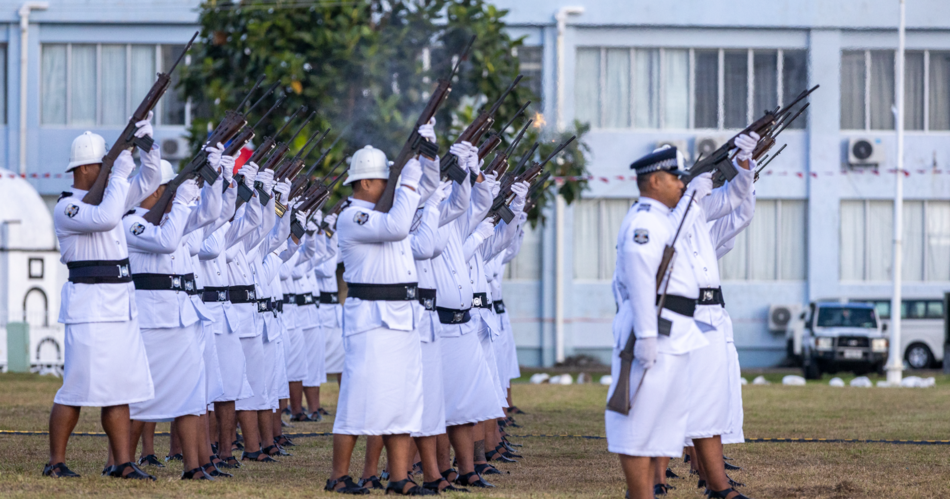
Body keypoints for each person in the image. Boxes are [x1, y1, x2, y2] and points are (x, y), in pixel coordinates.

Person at [46, 119, 161, 479]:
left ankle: (122, 463)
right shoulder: (67, 207)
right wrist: (120, 171)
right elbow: (107, 216)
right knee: (76, 388)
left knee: (121, 387)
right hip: (90, 309)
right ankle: (56, 461)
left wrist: (147, 148)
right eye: (102, 164)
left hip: (120, 303)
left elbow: (150, 182)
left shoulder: (109, 192)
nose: (106, 171)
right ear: (84, 168)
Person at [604, 146, 708, 499]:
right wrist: (647, 335)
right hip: (653, 332)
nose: (681, 184)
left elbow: (677, 232)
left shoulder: (660, 217)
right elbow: (640, 277)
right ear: (655, 180)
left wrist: (694, 200)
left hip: (675, 331)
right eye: (676, 178)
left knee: (661, 428)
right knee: (637, 426)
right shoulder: (645, 221)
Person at [325, 145, 426, 496]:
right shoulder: (354, 217)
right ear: (366, 183)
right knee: (358, 400)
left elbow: (410, 220)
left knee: (402, 404)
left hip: (401, 318)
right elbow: (398, 226)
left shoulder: (384, 216)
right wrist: (409, 178)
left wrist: (427, 163)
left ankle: (398, 478)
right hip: (370, 320)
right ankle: (338, 476)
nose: (390, 187)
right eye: (386, 180)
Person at [123, 153, 223, 480]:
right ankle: (119, 460)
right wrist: (179, 200)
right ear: (154, 192)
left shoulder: (173, 217)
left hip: (182, 317)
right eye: (166, 189)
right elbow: (165, 243)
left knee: (191, 396)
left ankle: (194, 466)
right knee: (139, 400)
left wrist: (214, 176)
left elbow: (210, 213)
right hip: (152, 321)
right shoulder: (132, 222)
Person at [678, 134, 758, 499]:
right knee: (676, 405)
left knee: (710, 403)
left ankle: (716, 485)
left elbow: (737, 204)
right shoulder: (661, 219)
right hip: (681, 318)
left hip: (711, 315)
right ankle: (656, 482)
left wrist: (744, 166)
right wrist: (694, 195)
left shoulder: (698, 213)